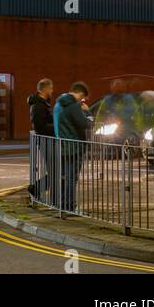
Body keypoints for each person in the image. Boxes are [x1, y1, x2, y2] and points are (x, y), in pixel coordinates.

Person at [52, 81, 93, 212]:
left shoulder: (58, 104)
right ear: (80, 93)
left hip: (62, 145)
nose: (83, 100)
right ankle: (69, 206)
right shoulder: (73, 106)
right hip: (74, 146)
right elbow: (86, 124)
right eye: (83, 98)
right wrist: (88, 113)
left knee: (65, 177)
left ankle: (63, 205)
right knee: (72, 178)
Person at [27, 79, 55, 200]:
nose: (52, 91)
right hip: (46, 141)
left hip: (48, 141)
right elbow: (40, 127)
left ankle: (37, 189)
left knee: (55, 170)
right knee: (55, 171)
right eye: (51, 88)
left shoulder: (44, 103)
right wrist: (57, 127)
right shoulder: (38, 105)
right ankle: (36, 188)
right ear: (45, 89)